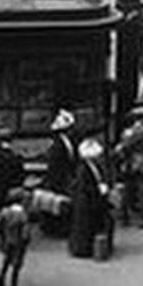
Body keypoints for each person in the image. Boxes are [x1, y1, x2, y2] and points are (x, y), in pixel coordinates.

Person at [113, 107, 143, 228]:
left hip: (128, 163)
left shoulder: (127, 132)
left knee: (127, 190)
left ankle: (124, 217)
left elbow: (121, 148)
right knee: (141, 191)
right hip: (142, 163)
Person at [68, 139, 113, 259]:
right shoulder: (83, 169)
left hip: (92, 199)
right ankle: (84, 249)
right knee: (86, 227)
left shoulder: (92, 167)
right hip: (86, 202)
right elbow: (85, 187)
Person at [42, 109, 77, 237]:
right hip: (58, 178)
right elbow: (56, 165)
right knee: (59, 204)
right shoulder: (58, 145)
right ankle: (56, 230)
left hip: (64, 177)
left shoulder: (66, 142)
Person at [0, 188, 32, 286]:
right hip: (18, 241)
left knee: (5, 262)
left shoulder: (4, 212)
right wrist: (26, 240)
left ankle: (0, 282)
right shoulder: (22, 214)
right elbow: (25, 230)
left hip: (6, 239)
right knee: (16, 264)